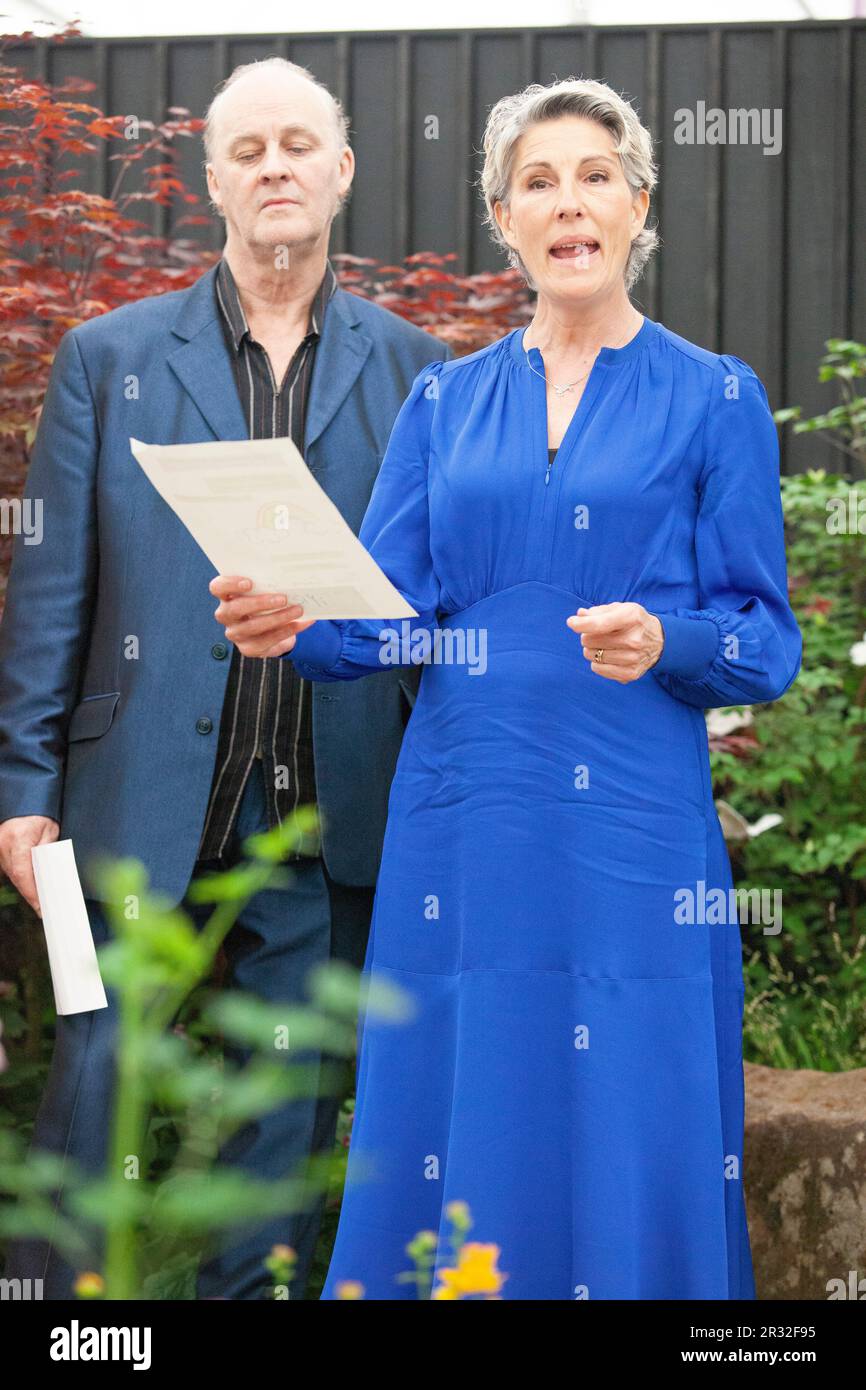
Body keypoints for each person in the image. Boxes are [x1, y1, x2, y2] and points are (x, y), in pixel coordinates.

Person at [216, 74, 804, 1300]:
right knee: (460, 1090)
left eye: (593, 176)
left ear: (638, 204)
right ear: (505, 216)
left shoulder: (716, 397)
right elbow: (380, 626)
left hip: (631, 824)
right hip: (463, 819)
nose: (567, 201)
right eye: (537, 182)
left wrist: (670, 642)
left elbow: (764, 643)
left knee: (623, 1093)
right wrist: (287, 623)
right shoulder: (444, 400)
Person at [0, 56, 451, 1299]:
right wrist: (22, 786)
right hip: (132, 803)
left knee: (287, 1112)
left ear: (341, 170)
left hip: (328, 808)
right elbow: (54, 596)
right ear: (211, 181)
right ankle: (70, 1326)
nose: (274, 169)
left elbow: (431, 610)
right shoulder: (108, 356)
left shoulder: (424, 373)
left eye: (297, 146)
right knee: (100, 1093)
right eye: (246, 150)